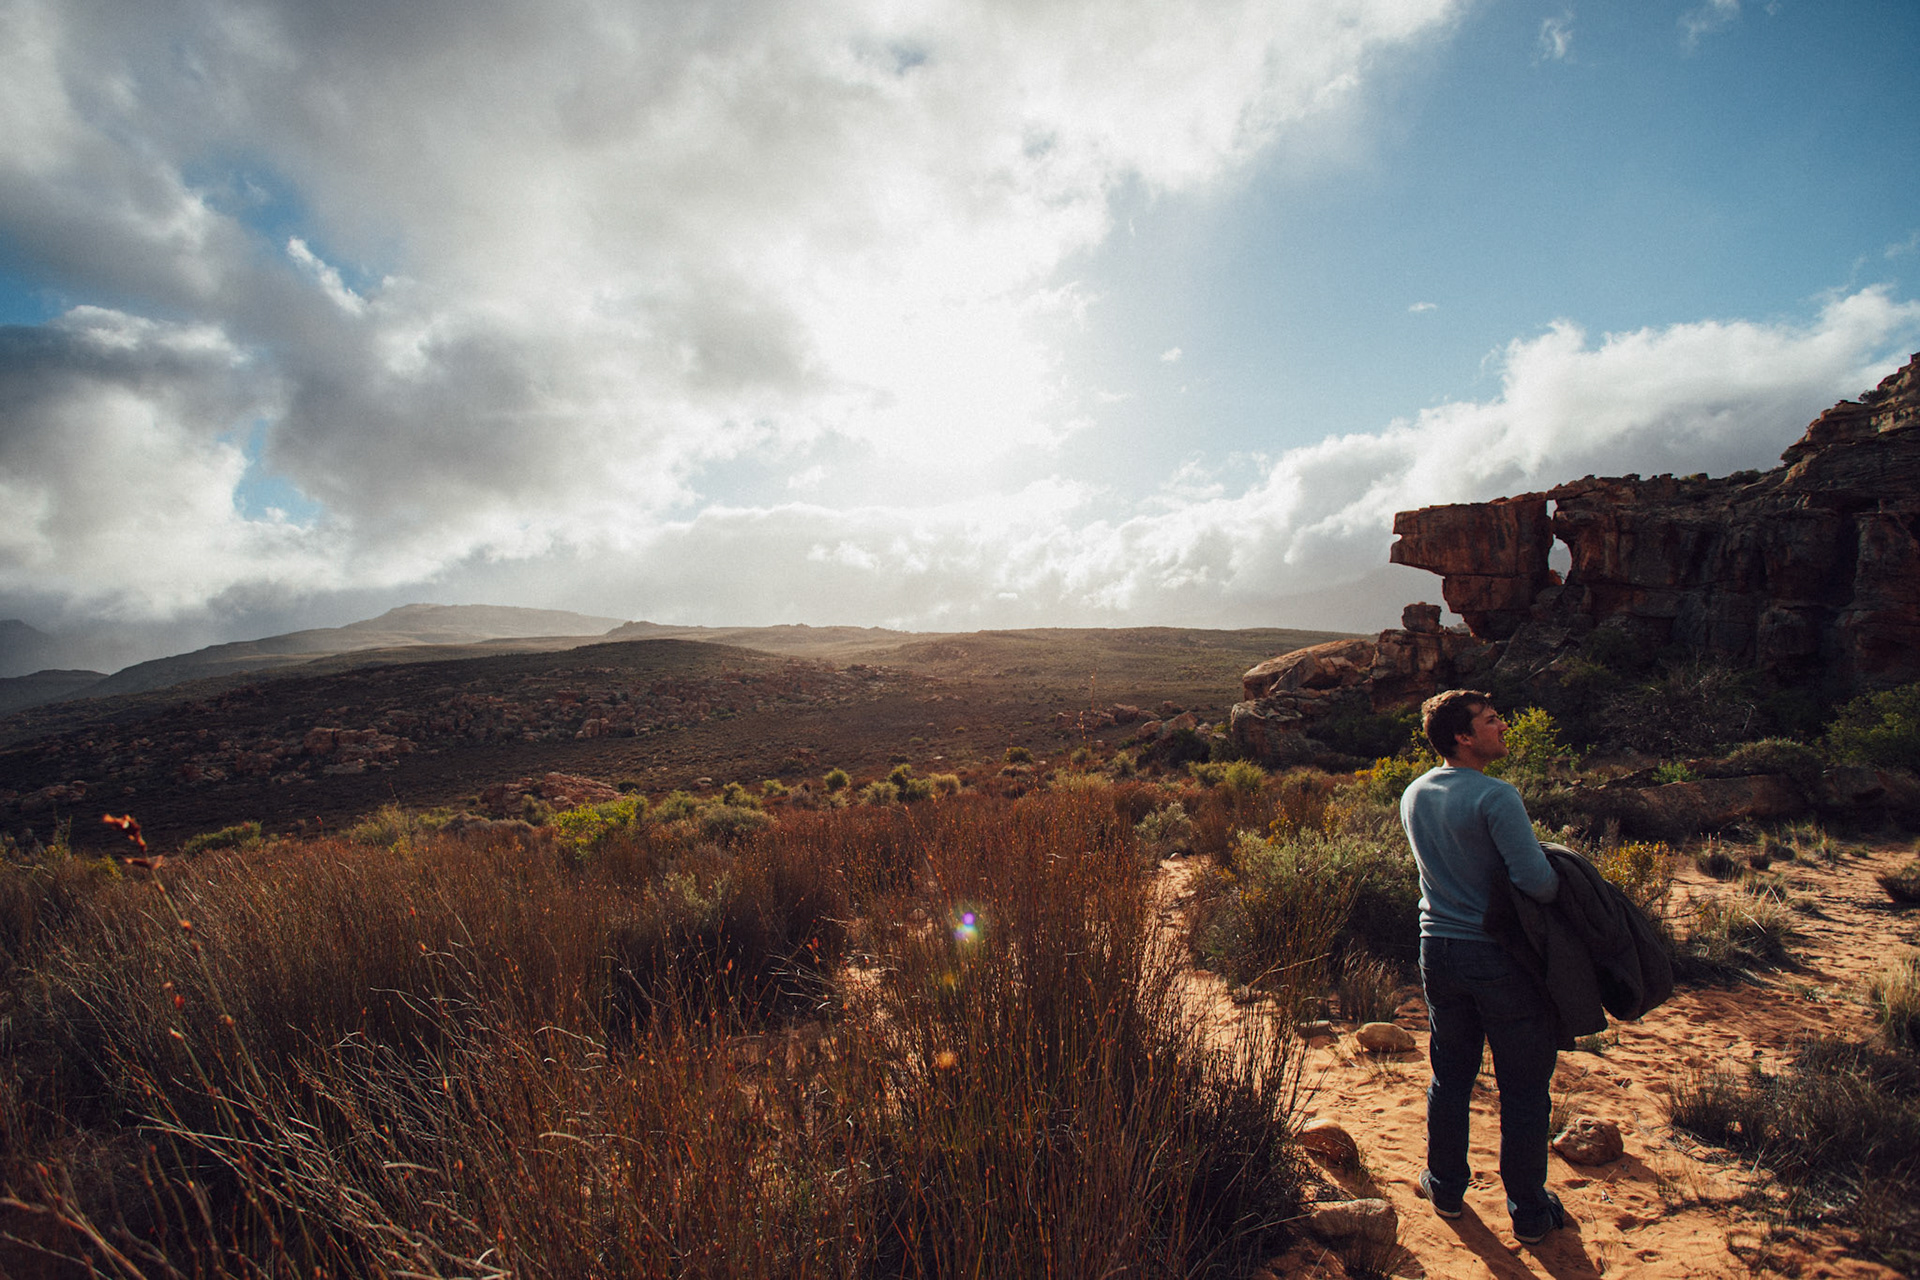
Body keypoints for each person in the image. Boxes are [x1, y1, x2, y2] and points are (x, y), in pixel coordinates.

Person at [1400, 689, 1567, 1245]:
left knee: (1451, 1075)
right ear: (1463, 736)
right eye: (1492, 721)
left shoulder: (1415, 792)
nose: (1503, 728)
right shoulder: (1498, 797)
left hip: (1436, 950)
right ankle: (1529, 1211)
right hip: (1497, 956)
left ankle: (1446, 1188)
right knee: (1523, 1087)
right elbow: (1537, 883)